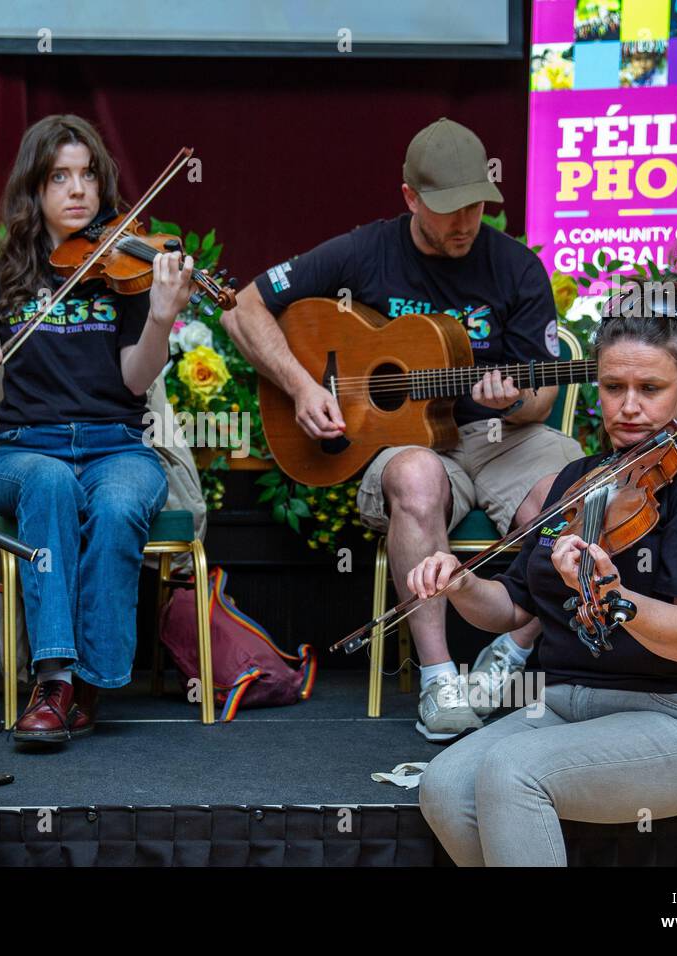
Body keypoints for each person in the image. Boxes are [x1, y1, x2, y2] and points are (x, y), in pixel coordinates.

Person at [221, 118, 583, 741]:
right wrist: (302, 386)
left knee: (574, 491)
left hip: (502, 437)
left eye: (476, 206)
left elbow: (542, 393)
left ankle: (511, 654)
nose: (465, 221)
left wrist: (512, 401)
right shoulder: (365, 250)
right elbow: (242, 306)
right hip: (412, 444)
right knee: (415, 479)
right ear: (411, 198)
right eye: (448, 209)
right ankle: (441, 680)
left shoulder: (517, 268)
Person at [411, 287, 677, 866]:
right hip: (570, 703)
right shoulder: (578, 476)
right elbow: (512, 610)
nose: (629, 406)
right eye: (613, 387)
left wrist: (616, 596)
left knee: (511, 773)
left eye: (650, 390)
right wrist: (460, 584)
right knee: (444, 786)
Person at [0, 115, 195, 744]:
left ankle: (90, 682)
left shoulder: (126, 268)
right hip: (24, 451)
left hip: (116, 446)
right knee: (48, 484)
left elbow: (134, 379)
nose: (78, 190)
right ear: (34, 190)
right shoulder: (1, 278)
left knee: (123, 499)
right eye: (60, 177)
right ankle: (55, 679)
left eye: (89, 175)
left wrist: (158, 319)